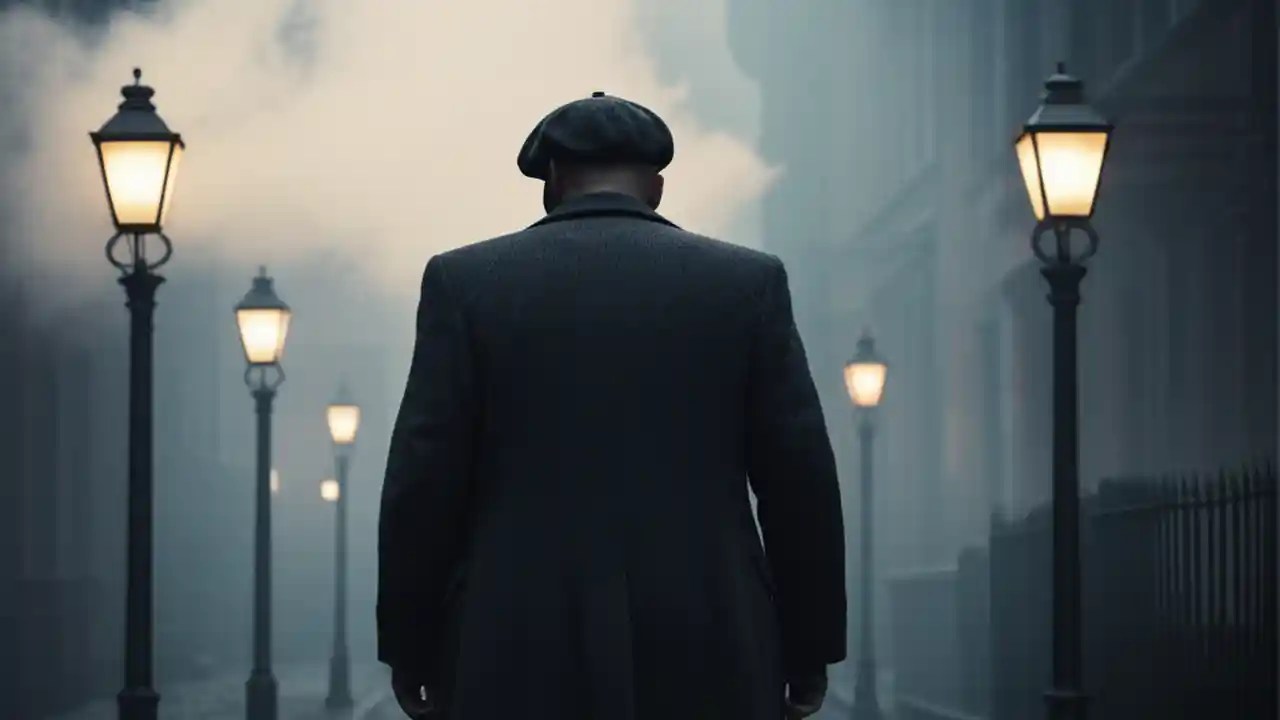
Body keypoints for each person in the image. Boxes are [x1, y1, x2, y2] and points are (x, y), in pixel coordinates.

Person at [378, 91, 846, 720]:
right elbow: (799, 482)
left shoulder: (464, 284)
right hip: (711, 633)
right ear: (655, 188)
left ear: (551, 184)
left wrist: (412, 647)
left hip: (513, 640)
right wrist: (807, 649)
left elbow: (423, 482)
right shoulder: (748, 284)